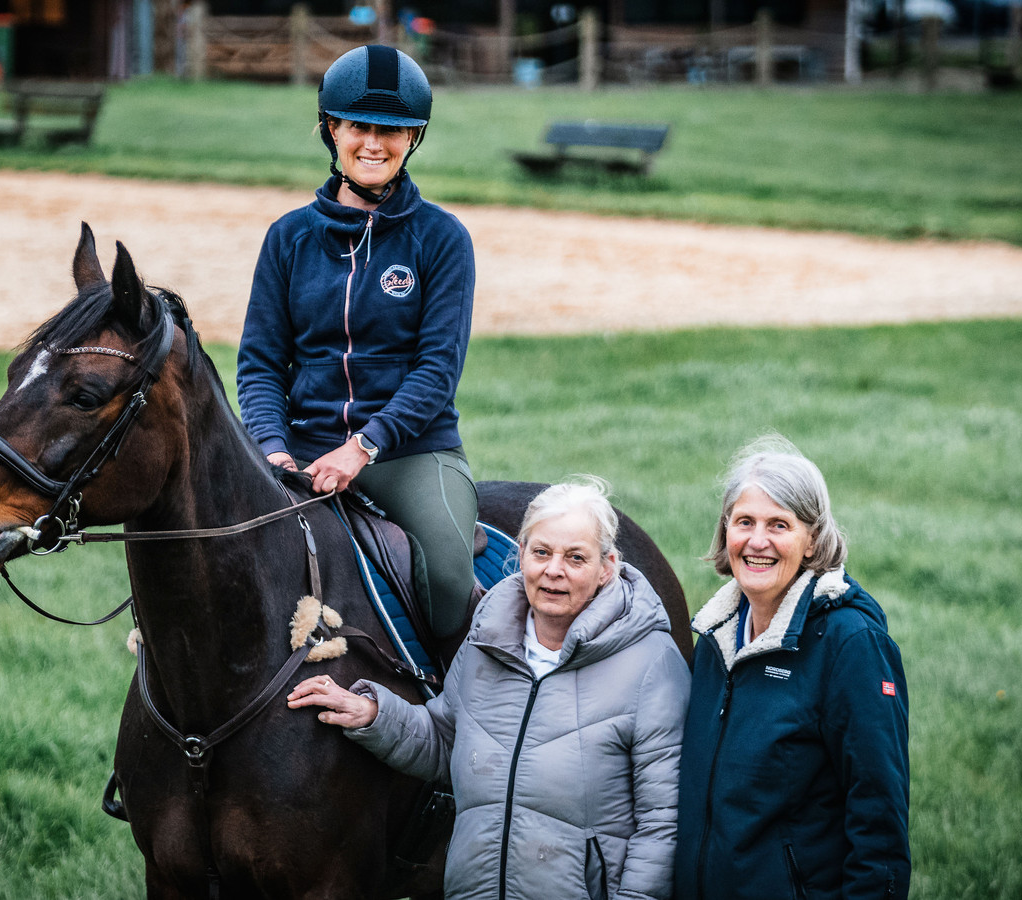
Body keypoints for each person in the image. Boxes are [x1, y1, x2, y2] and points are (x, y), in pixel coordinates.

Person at [288, 478, 691, 900]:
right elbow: (449, 743)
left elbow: (663, 822)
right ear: (521, 556)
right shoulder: (489, 640)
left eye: (576, 557)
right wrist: (372, 713)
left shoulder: (650, 663)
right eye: (541, 552)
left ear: (607, 566)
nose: (554, 570)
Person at [236, 44, 478, 647]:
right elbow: (262, 363)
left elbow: (436, 371)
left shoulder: (442, 239)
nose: (374, 143)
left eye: (392, 130)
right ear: (331, 130)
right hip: (299, 446)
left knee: (449, 573)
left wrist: (362, 448)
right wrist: (271, 448)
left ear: (414, 137)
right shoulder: (287, 238)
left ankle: (448, 706)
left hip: (409, 453)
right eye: (359, 127)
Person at [673, 436, 910, 900]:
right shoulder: (714, 639)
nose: (757, 541)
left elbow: (879, 822)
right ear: (726, 533)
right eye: (744, 522)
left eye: (779, 525)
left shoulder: (851, 645)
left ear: (813, 541)